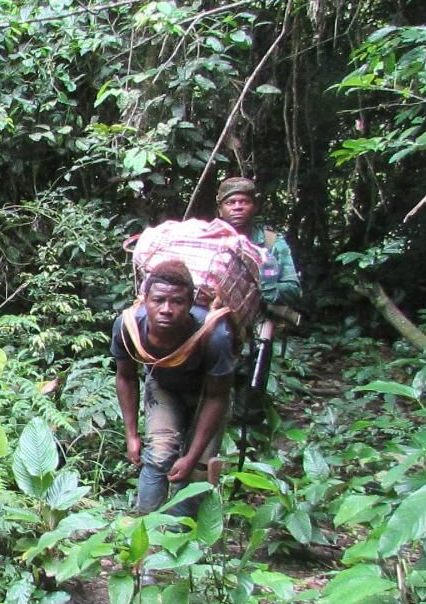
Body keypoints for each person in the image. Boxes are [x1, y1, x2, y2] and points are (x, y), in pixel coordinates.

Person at [112, 260, 235, 517]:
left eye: (177, 302)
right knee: (158, 456)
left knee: (197, 469)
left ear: (190, 303)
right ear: (145, 299)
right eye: (158, 300)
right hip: (164, 385)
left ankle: (181, 540)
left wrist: (192, 456)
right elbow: (126, 378)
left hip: (206, 394)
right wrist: (131, 434)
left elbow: (217, 396)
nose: (166, 309)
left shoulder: (215, 334)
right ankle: (146, 532)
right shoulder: (128, 327)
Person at [215, 177, 301, 309]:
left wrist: (268, 284)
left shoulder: (271, 243)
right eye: (230, 202)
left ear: (255, 207)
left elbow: (293, 289)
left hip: (259, 318)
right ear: (220, 210)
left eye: (244, 202)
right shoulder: (210, 240)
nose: (237, 207)